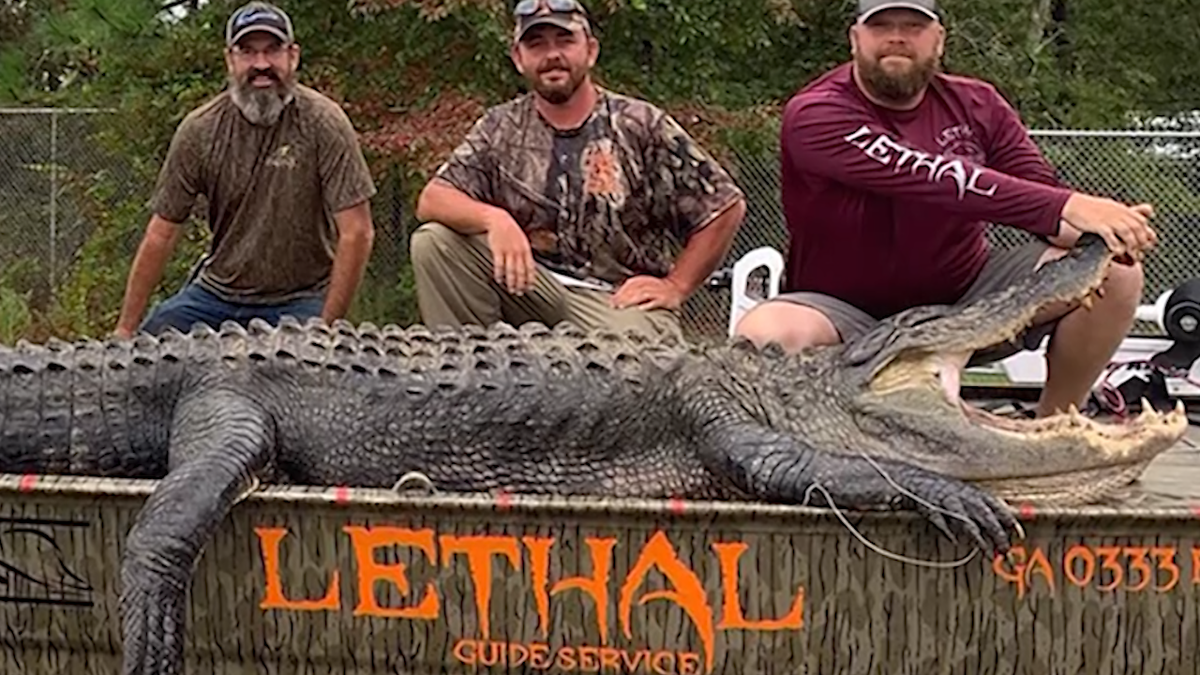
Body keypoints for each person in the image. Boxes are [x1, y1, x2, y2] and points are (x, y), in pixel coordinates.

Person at [734, 0, 1158, 418]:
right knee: (762, 335)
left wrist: (1110, 231)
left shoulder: (979, 104)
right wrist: (1070, 205)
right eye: (881, 26)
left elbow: (1040, 200)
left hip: (969, 302)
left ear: (939, 40)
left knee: (1116, 271)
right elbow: (930, 177)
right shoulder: (816, 113)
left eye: (913, 26)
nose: (897, 38)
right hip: (843, 313)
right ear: (855, 39)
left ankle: (1057, 426)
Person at [410, 0, 746, 339]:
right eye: (536, 44)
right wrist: (494, 219)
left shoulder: (639, 123)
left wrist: (677, 284)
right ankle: (474, 376)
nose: (552, 54)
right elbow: (433, 199)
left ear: (591, 51)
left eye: (565, 40)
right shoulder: (499, 127)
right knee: (434, 242)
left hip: (614, 302)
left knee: (636, 368)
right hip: (532, 288)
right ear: (518, 58)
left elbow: (724, 206)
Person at [113, 1, 377, 339]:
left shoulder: (324, 123)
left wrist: (327, 329)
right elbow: (161, 233)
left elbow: (357, 232)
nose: (261, 64)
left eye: (272, 51)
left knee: (298, 378)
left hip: (300, 298)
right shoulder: (199, 130)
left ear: (292, 56)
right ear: (230, 60)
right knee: (150, 348)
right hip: (215, 296)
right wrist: (125, 329)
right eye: (248, 52)